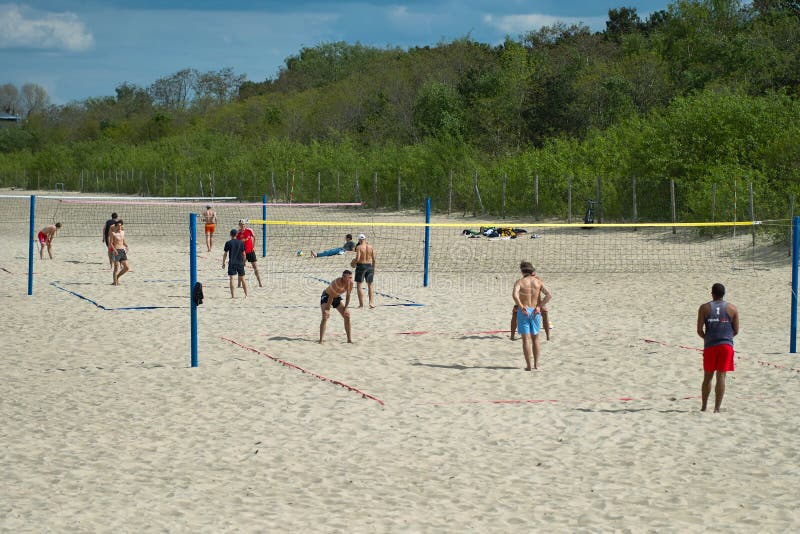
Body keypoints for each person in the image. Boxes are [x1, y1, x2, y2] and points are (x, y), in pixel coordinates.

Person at [697, 283, 739, 413]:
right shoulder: (732, 308)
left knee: (707, 377)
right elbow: (736, 330)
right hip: (726, 346)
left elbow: (699, 330)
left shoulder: (704, 307)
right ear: (723, 294)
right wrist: (725, 338)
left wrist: (707, 338)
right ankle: (717, 408)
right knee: (721, 376)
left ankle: (704, 407)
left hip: (710, 345)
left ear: (712, 293)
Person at [512, 261, 551, 371]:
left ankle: (528, 366)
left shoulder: (519, 282)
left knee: (526, 340)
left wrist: (520, 306)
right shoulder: (538, 282)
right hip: (535, 311)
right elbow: (549, 295)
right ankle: (536, 365)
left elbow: (514, 295)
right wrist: (539, 307)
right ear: (532, 271)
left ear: (522, 271)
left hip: (524, 311)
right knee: (536, 340)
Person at [510, 271, 551, 341]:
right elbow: (548, 295)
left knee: (545, 313)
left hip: (533, 305)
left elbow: (548, 295)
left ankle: (548, 336)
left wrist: (539, 306)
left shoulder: (534, 280)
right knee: (515, 313)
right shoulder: (527, 281)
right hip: (530, 305)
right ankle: (512, 336)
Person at [319, 270, 354, 344]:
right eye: (348, 278)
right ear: (343, 277)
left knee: (347, 315)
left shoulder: (351, 283)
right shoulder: (337, 282)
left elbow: (348, 296)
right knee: (325, 316)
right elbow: (331, 297)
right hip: (327, 296)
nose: (350, 279)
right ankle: (321, 340)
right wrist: (327, 309)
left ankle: (349, 340)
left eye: (351, 277)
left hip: (337, 297)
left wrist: (345, 308)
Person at [236, 219, 263, 288]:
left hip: (250, 251)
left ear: (245, 225)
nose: (242, 226)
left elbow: (254, 237)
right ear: (239, 225)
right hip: (242, 253)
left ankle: (260, 283)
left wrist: (253, 246)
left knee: (255, 267)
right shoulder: (238, 233)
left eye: (244, 224)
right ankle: (239, 285)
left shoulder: (249, 230)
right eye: (241, 224)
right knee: (241, 268)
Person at [353, 233, 377, 308]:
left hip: (361, 266)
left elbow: (358, 258)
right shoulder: (371, 247)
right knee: (370, 285)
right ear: (365, 239)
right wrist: (373, 269)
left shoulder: (359, 247)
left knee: (359, 285)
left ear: (360, 240)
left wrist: (353, 263)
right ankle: (371, 303)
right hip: (369, 266)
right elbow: (374, 259)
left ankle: (361, 304)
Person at [222, 229, 248, 298]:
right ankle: (246, 295)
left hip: (232, 263)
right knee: (243, 279)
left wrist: (223, 262)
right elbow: (244, 254)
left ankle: (233, 296)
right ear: (236, 235)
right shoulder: (241, 242)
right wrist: (244, 262)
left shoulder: (228, 243)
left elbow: (225, 254)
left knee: (232, 279)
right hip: (240, 263)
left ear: (230, 235)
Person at [108, 219, 130, 285]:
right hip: (116, 251)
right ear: (116, 226)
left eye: (120, 225)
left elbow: (123, 241)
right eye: (118, 225)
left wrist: (126, 246)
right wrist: (114, 250)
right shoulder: (113, 233)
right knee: (116, 268)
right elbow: (111, 243)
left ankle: (117, 277)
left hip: (122, 251)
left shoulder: (123, 232)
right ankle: (115, 282)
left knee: (126, 268)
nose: (119, 227)